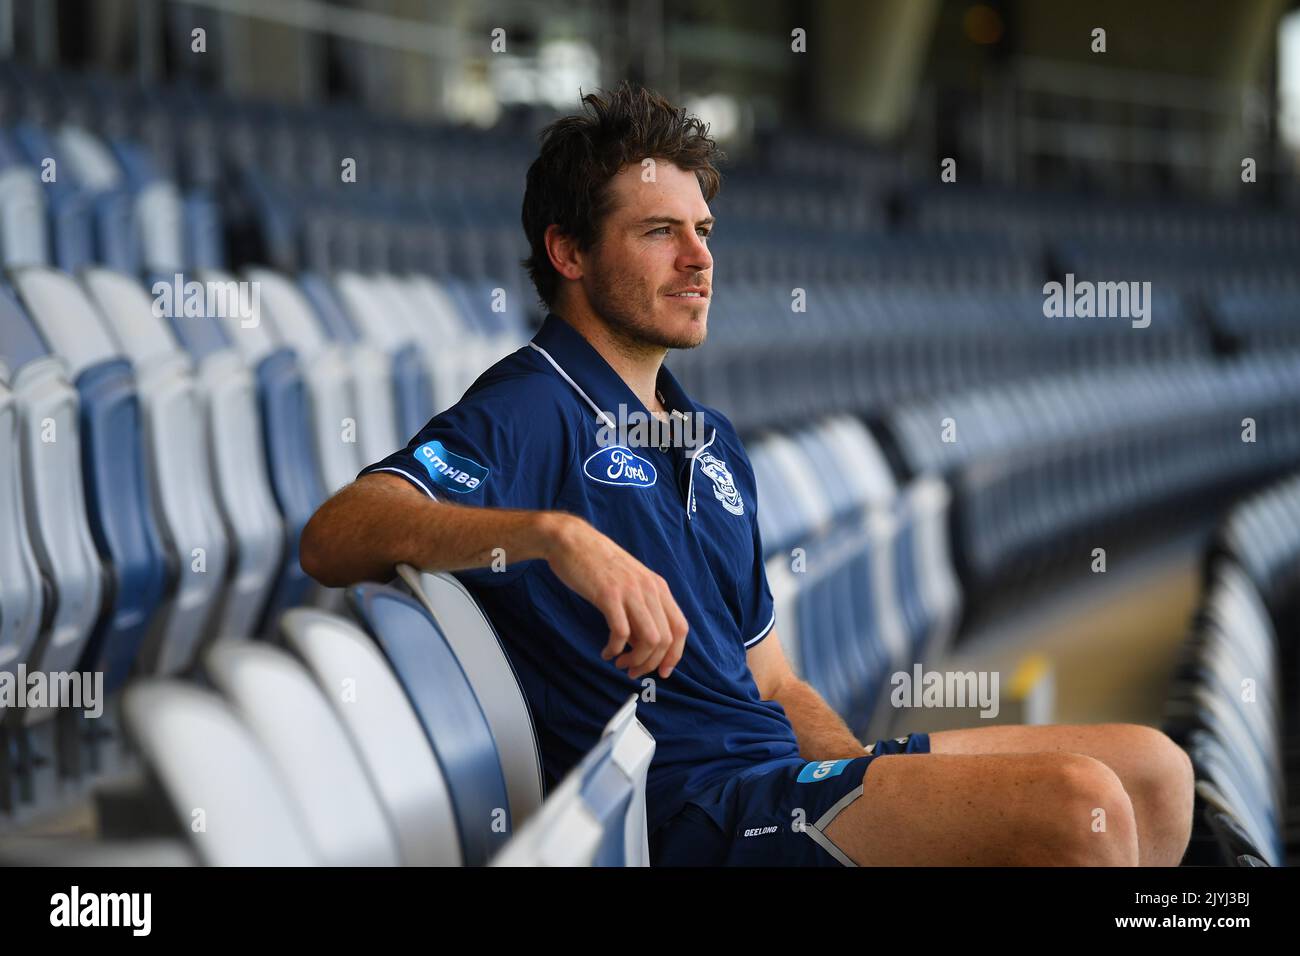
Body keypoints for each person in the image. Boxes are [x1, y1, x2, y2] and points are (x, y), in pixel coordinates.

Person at [300, 83, 1193, 866]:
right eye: (660, 233)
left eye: (703, 230)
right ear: (568, 253)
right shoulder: (530, 407)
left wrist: (856, 778)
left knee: (1155, 772)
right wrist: (554, 536)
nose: (700, 259)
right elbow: (335, 533)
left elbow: (773, 682)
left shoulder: (711, 441)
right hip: (688, 813)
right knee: (1082, 810)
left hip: (779, 781)